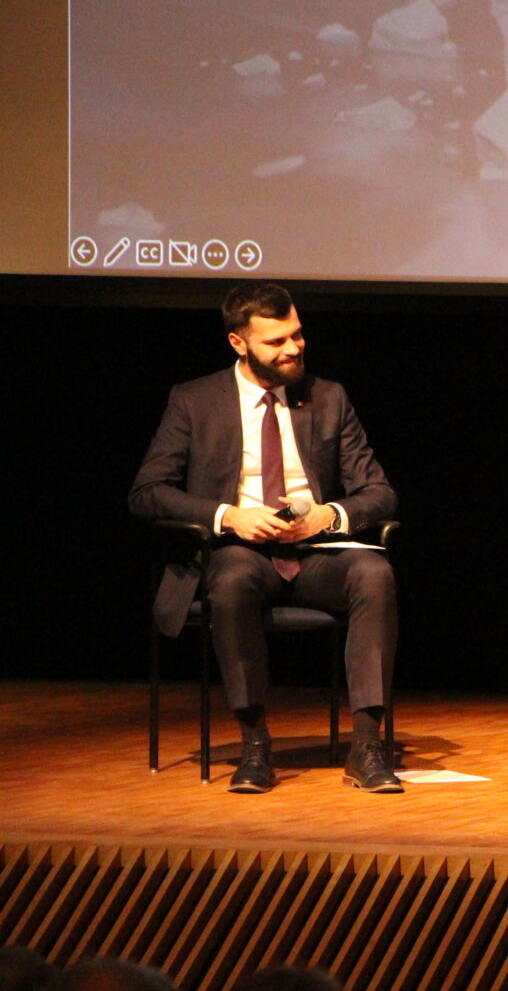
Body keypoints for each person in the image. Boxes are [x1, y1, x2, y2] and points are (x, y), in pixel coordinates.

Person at [130, 282, 402, 795]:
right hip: (240, 553)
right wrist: (229, 516)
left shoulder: (328, 397)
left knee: (374, 573)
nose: (293, 348)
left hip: (316, 555)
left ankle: (366, 746)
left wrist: (329, 515)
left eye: (296, 335)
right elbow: (147, 493)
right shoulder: (194, 400)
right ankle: (255, 743)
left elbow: (379, 492)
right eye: (276, 342)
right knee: (232, 580)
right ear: (238, 343)